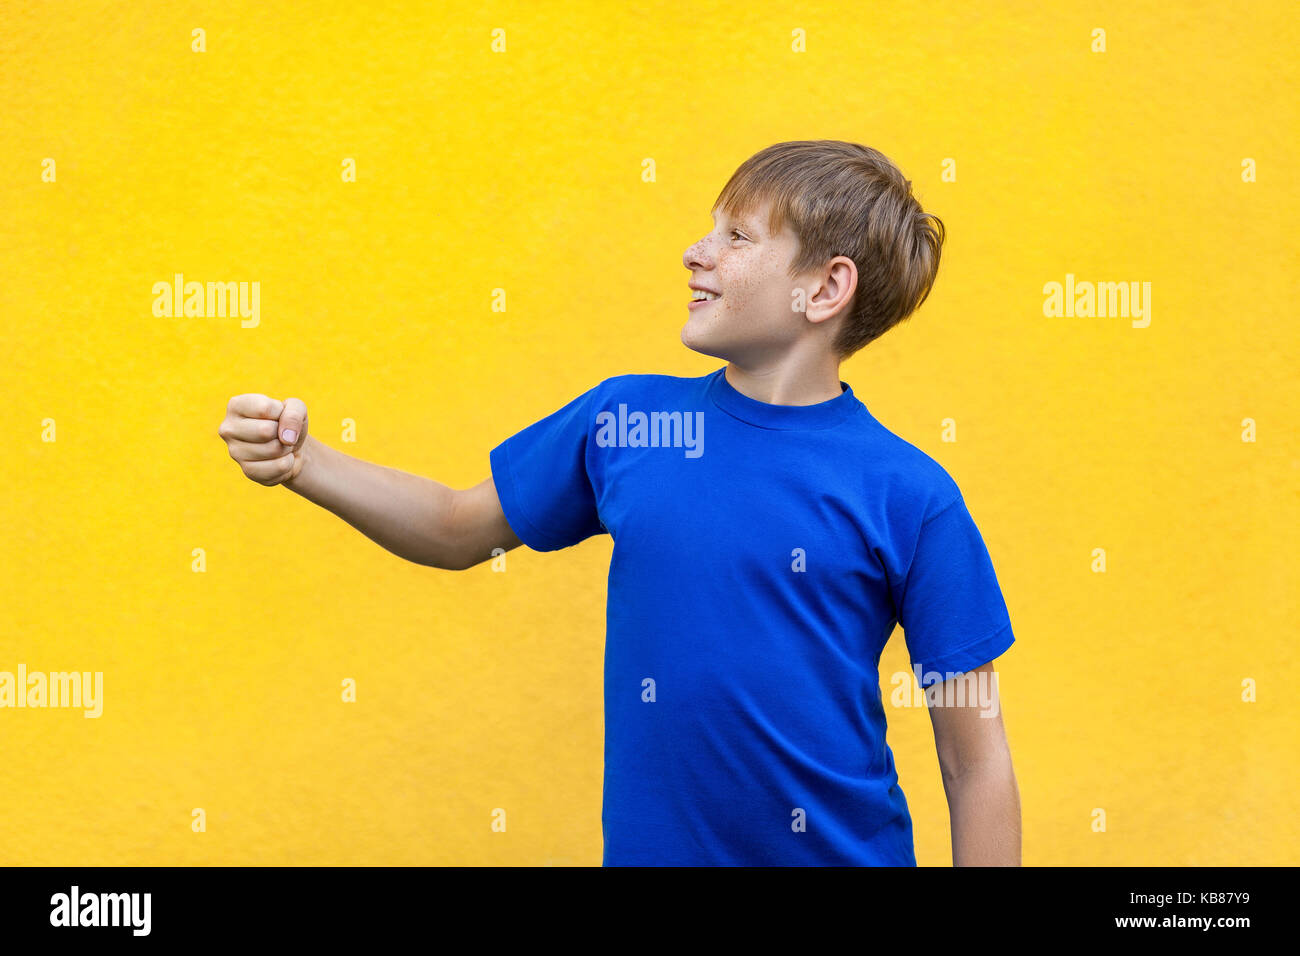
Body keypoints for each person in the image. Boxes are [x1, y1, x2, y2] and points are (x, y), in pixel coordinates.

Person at [218, 140, 1020, 866]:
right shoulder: (627, 422)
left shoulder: (912, 496)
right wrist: (305, 463)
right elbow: (454, 527)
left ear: (825, 287)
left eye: (736, 237)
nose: (694, 253)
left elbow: (974, 760)